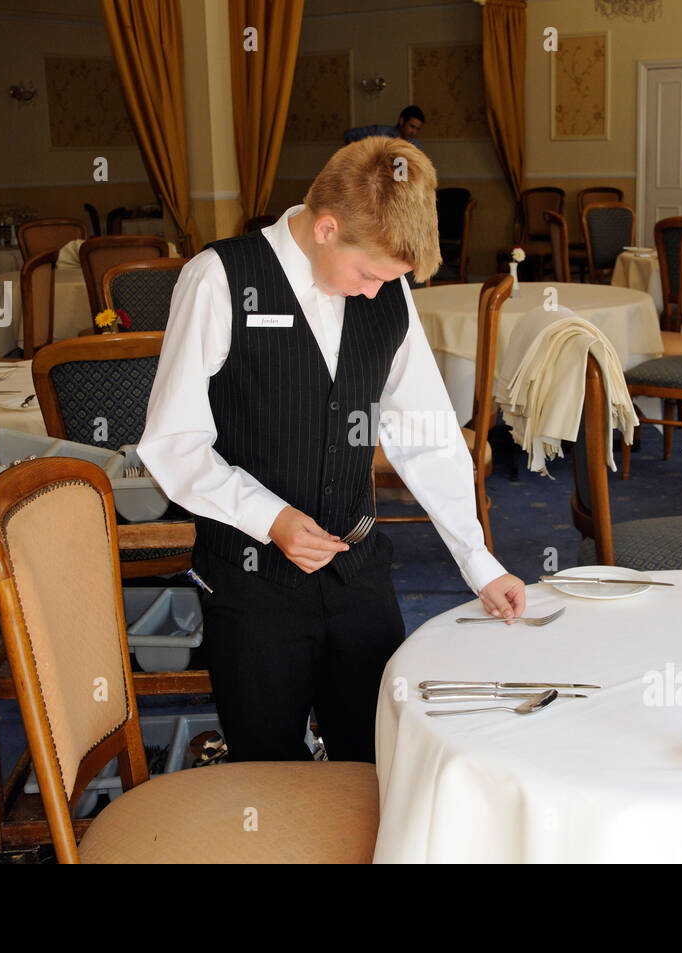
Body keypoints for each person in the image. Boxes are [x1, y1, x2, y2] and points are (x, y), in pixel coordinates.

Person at [139, 137, 525, 764]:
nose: (376, 292)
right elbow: (173, 443)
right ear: (326, 227)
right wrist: (273, 519)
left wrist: (480, 562)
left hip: (358, 576)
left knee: (378, 758)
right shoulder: (218, 278)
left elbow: (426, 437)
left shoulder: (388, 292)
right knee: (268, 771)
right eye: (368, 274)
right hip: (251, 583)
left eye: (389, 280)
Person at [344, 105, 425, 150]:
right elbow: (349, 134)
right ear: (401, 121)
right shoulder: (380, 132)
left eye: (417, 129)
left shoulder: (416, 146)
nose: (414, 132)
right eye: (411, 126)